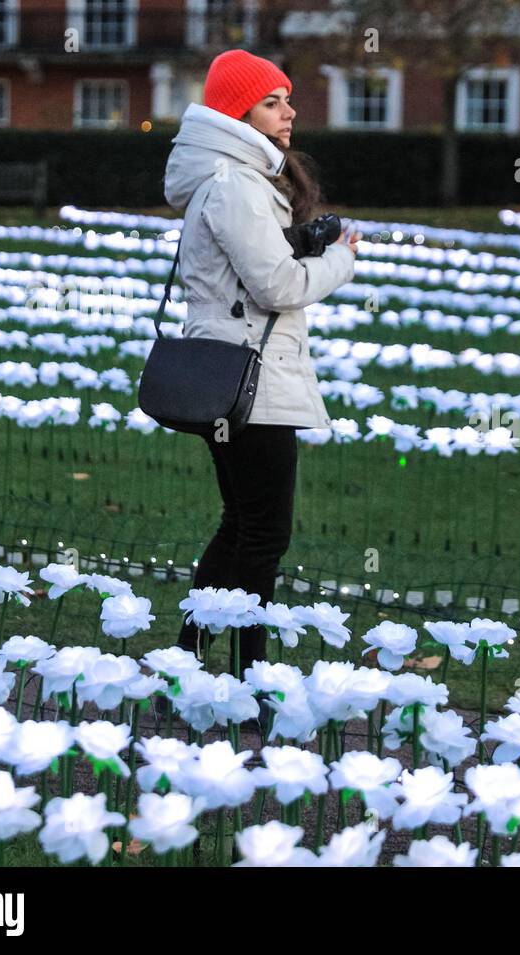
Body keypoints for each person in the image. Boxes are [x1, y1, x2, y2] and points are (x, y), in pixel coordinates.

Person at [162, 49, 359, 676]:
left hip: (229, 370)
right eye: (271, 101)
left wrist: (303, 241)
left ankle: (189, 661)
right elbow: (275, 286)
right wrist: (340, 260)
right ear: (235, 112)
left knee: (241, 524)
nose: (288, 112)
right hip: (251, 375)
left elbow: (244, 266)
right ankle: (250, 678)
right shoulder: (237, 182)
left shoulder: (228, 177)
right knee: (264, 534)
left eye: (288, 99)